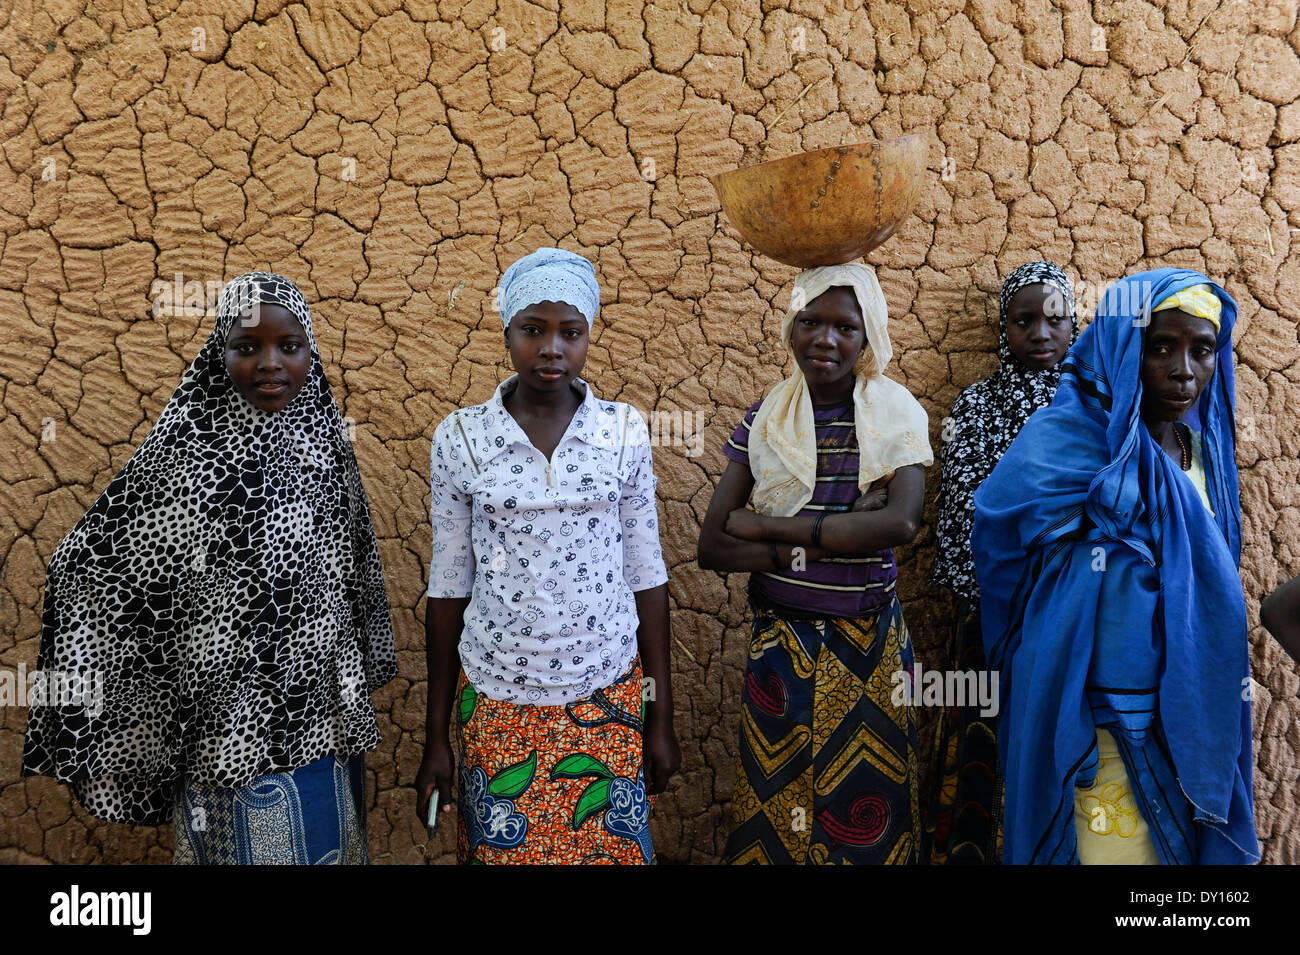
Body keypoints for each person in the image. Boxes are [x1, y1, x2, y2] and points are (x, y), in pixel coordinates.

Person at [23, 272, 396, 864]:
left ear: (310, 353)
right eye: (247, 348)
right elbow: (93, 560)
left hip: (320, 717)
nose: (270, 363)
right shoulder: (187, 454)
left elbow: (355, 566)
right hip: (225, 722)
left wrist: (356, 667)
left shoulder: (325, 446)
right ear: (219, 354)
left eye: (288, 347)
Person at [973, 268, 1259, 864]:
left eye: (1202, 350)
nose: (1184, 371)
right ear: (1120, 346)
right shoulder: (1064, 444)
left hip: (1189, 701)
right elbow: (997, 540)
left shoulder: (1203, 455)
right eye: (1160, 348)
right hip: (1086, 707)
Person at [417, 247, 679, 864]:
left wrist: (659, 713)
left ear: (589, 337)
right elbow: (449, 585)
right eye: (532, 330)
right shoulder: (461, 438)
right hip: (499, 700)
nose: (551, 348)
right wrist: (435, 737)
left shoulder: (622, 431)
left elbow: (647, 573)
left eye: (571, 332)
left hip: (607, 697)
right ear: (507, 333)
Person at [698, 263, 933, 865]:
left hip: (868, 644)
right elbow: (714, 546)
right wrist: (840, 535)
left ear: (868, 336)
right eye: (810, 322)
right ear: (790, 328)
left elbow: (901, 524)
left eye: (845, 327)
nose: (825, 340)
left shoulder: (891, 416)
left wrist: (768, 526)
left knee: (868, 810)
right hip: (781, 642)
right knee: (777, 804)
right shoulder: (767, 420)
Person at [926, 262, 1077, 864]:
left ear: (1075, 326)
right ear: (1002, 329)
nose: (1040, 332)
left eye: (1055, 319)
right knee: (982, 746)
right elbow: (961, 512)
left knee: (1063, 746)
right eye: (1024, 320)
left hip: (1074, 610)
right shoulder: (978, 405)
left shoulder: (1096, 407)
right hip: (990, 613)